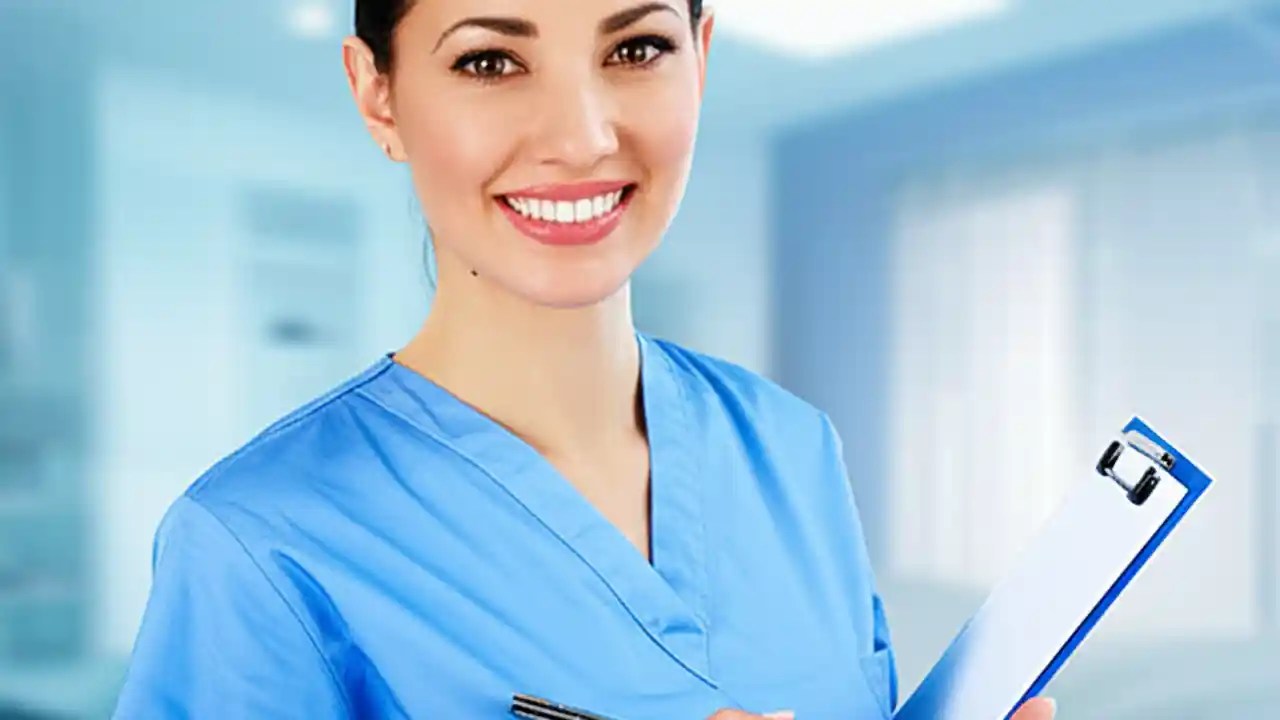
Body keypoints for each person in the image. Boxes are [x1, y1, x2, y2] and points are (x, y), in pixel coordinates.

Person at [112, 1, 1058, 718]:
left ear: (702, 60)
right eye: (491, 61)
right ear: (378, 94)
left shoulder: (790, 447)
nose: (581, 137)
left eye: (636, 49)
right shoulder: (257, 544)